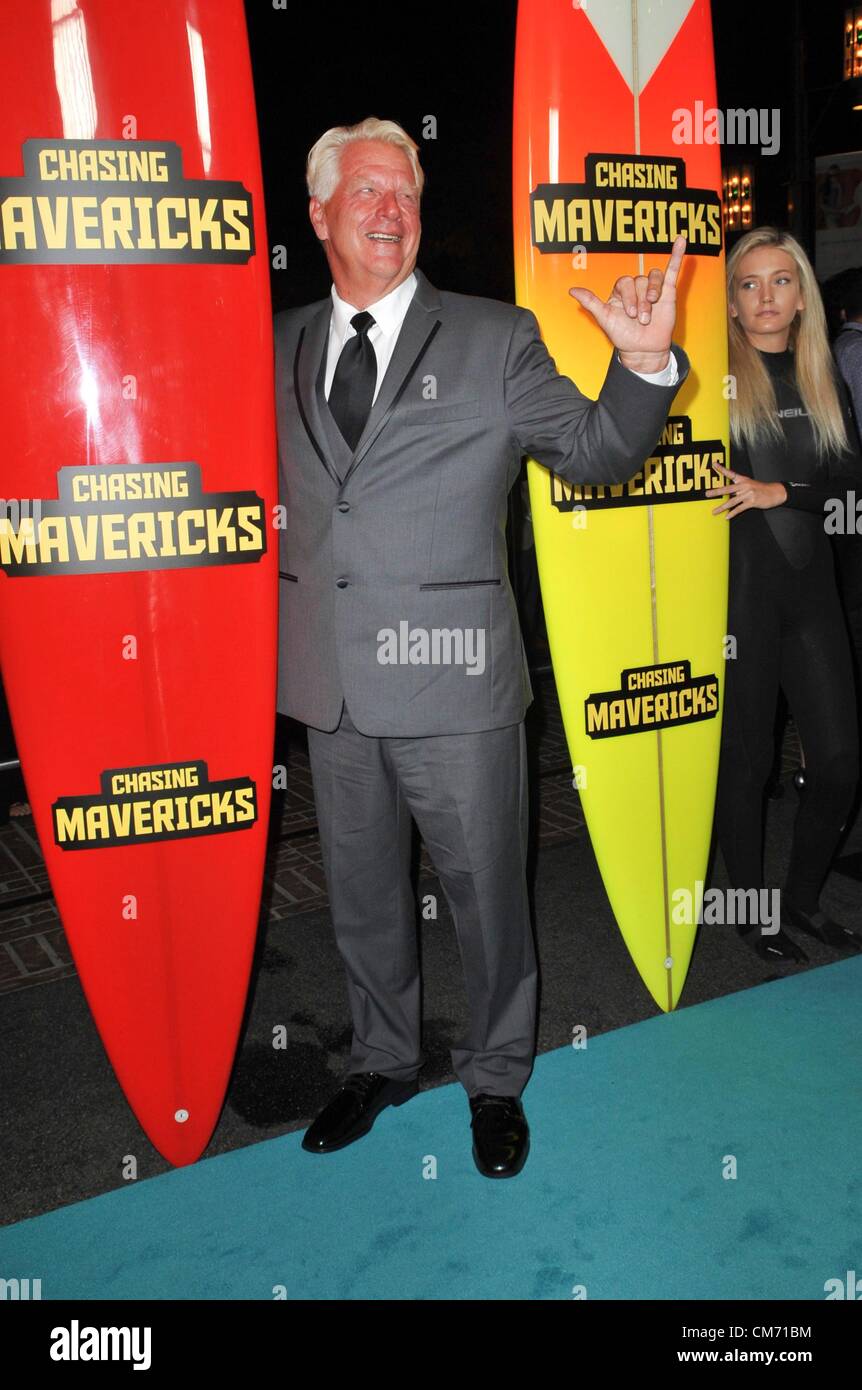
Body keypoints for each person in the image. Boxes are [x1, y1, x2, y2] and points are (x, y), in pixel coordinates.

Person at [274, 116, 690, 1178]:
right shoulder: (273, 343)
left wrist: (643, 368)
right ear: (319, 214)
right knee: (361, 894)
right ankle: (379, 1056)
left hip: (458, 686)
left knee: (486, 897)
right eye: (364, 192)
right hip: (332, 687)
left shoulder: (493, 337)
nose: (388, 211)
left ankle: (497, 1076)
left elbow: (595, 454)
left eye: (404, 193)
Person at [708, 227, 862, 962]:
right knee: (748, 761)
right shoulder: (712, 378)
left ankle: (800, 899)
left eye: (780, 281)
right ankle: (747, 905)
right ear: (731, 303)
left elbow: (852, 487)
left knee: (839, 763)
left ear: (803, 295)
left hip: (814, 598)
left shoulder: (823, 374)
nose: (765, 296)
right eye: (748, 283)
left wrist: (783, 491)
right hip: (740, 599)